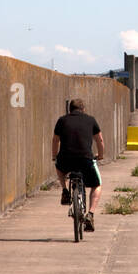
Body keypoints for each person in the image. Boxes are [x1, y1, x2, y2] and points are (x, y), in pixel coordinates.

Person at [53, 98, 105, 232]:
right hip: (85, 159)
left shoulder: (62, 120)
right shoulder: (91, 120)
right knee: (96, 185)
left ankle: (65, 190)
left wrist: (54, 156)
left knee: (59, 167)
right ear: (83, 109)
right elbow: (100, 140)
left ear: (70, 109)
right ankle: (91, 214)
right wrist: (100, 155)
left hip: (66, 159)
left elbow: (55, 140)